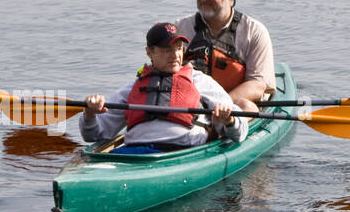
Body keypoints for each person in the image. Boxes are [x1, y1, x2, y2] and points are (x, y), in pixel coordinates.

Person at [81, 22, 236, 151]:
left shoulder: (200, 82)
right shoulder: (132, 88)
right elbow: (94, 136)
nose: (175, 55)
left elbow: (239, 132)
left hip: (182, 152)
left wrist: (229, 120)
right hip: (134, 153)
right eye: (167, 49)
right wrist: (89, 114)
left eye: (179, 48)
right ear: (149, 52)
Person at [175, 0, 276, 115]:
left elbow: (257, 85)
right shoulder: (179, 27)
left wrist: (219, 105)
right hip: (189, 104)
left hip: (231, 108)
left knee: (247, 107)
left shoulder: (254, 31)